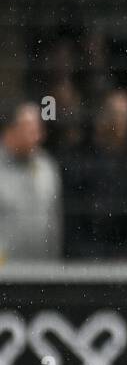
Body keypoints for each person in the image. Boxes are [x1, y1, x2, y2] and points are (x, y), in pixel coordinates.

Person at [0, 101, 62, 263]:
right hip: (5, 272)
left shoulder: (47, 167)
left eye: (38, 129)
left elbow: (54, 221)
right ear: (10, 130)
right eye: (29, 129)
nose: (37, 136)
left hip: (42, 271)